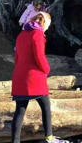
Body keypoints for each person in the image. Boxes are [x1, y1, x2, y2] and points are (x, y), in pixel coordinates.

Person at [11, 11, 66, 143]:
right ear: (45, 22)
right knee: (46, 106)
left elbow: (17, 58)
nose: (47, 28)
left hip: (20, 77)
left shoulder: (22, 34)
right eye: (48, 25)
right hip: (34, 79)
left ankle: (15, 141)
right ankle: (49, 137)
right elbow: (39, 56)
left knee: (20, 111)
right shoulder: (38, 33)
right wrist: (46, 69)